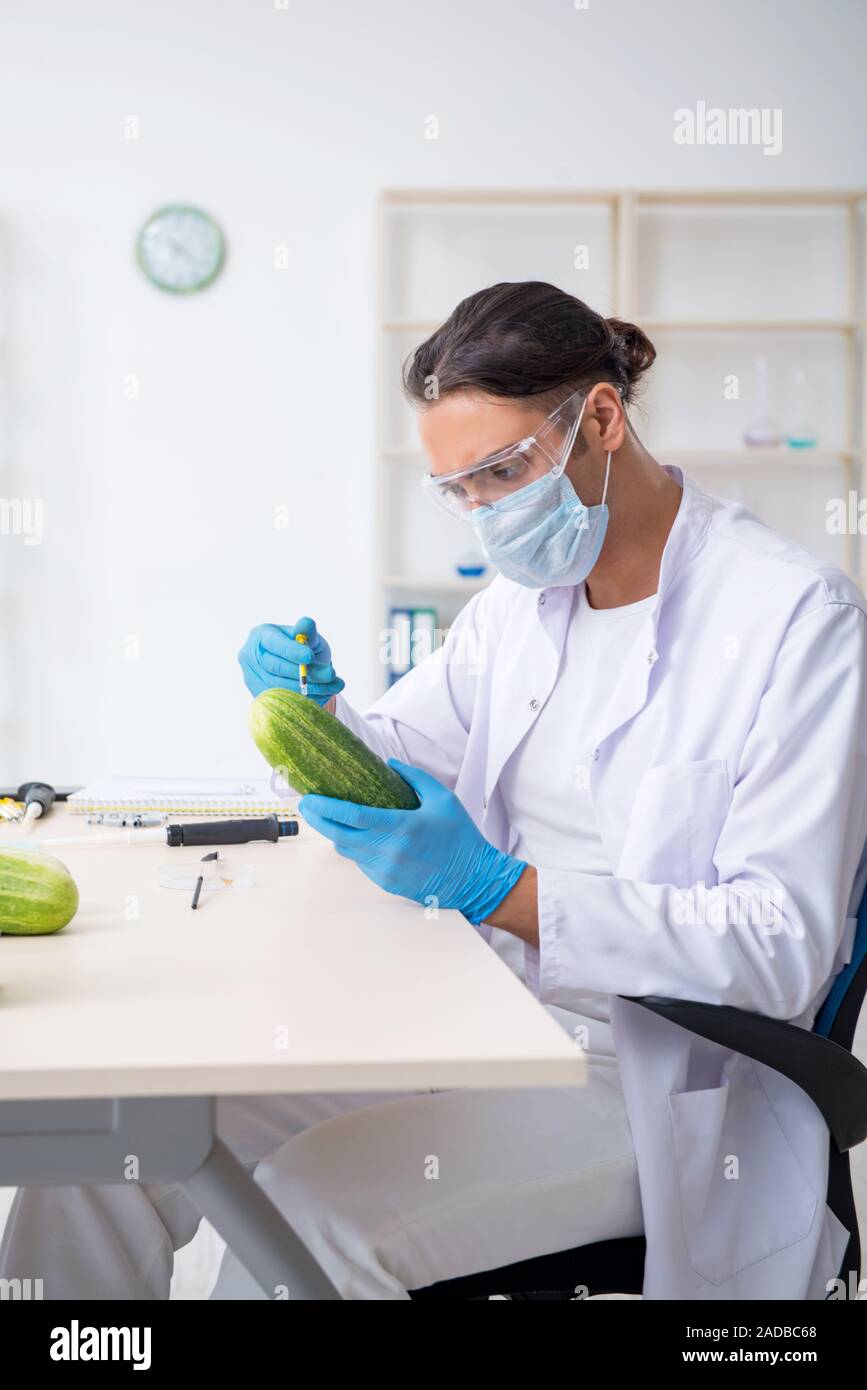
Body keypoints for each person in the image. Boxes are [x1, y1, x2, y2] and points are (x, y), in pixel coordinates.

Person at [3, 282, 865, 1299]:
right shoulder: (522, 605)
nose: (486, 511)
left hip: (660, 1080)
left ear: (600, 416)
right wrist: (316, 713)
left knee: (315, 1208)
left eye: (502, 471)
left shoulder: (795, 621)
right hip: (476, 1018)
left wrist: (500, 888)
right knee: (116, 1142)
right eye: (457, 488)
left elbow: (780, 946)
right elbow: (406, 750)